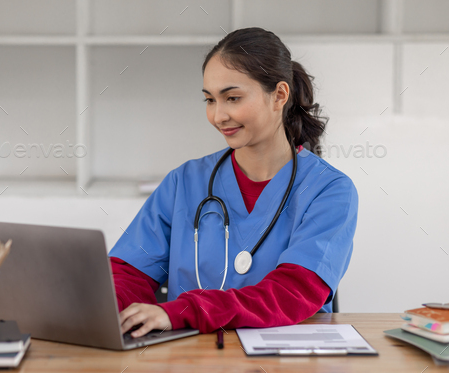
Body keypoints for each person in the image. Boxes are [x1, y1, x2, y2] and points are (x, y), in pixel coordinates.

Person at [109, 27, 359, 339]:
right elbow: (128, 272)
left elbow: (293, 293)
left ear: (280, 95)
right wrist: (98, 309)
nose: (218, 115)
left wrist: (183, 311)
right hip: (188, 360)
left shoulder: (329, 190)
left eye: (233, 98)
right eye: (210, 100)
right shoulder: (184, 182)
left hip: (285, 363)